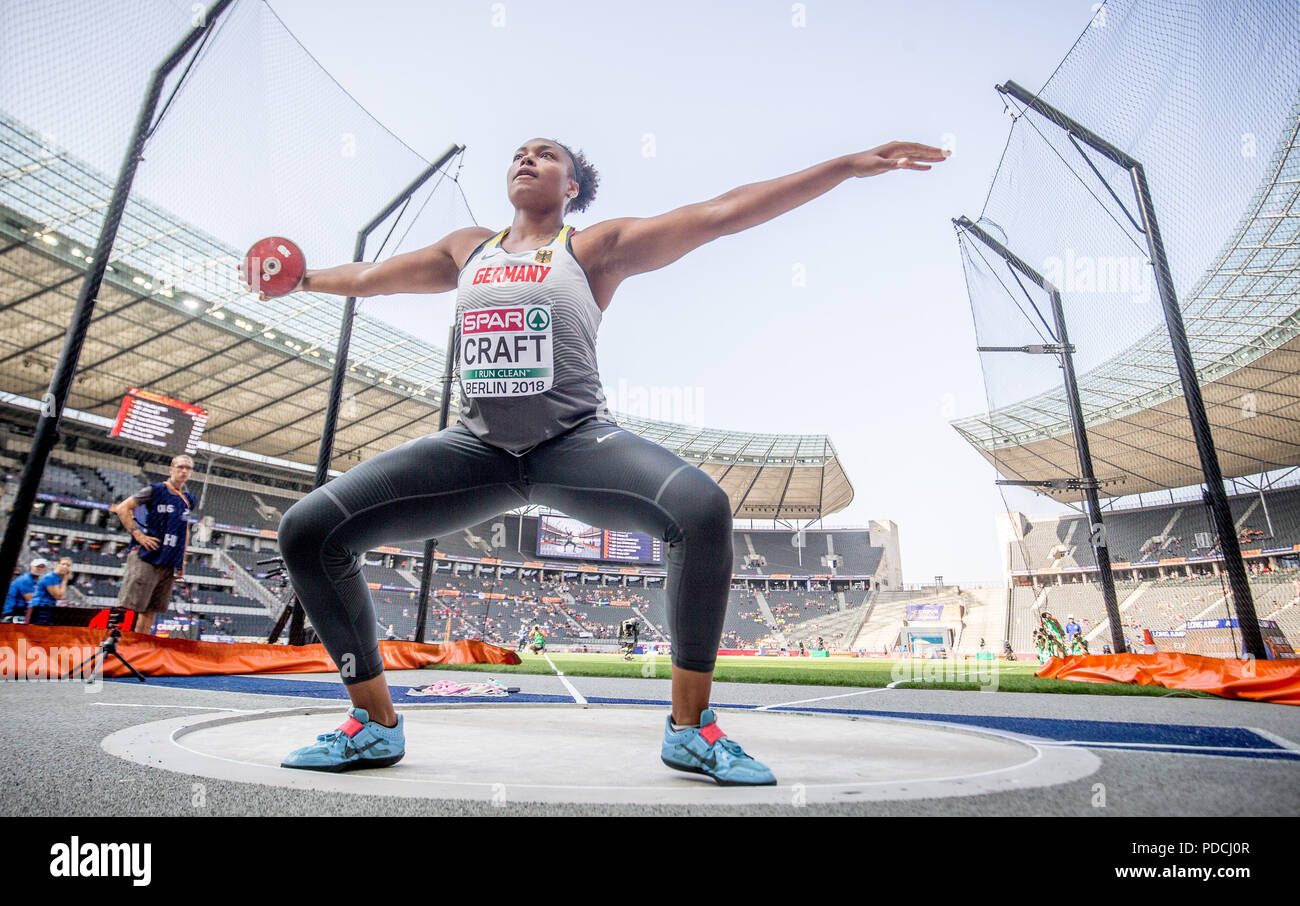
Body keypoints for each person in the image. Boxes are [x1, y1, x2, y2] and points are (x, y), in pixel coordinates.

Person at [265, 135, 949, 784]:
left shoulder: (595, 247)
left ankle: (690, 728)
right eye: (519, 153)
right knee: (308, 530)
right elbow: (373, 278)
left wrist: (846, 166)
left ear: (572, 185)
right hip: (473, 451)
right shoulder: (465, 250)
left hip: (575, 445)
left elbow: (722, 214)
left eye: (547, 154)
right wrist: (300, 280)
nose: (527, 158)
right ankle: (374, 722)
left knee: (700, 507)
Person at [109, 455, 197, 635]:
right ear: (171, 470)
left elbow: (184, 529)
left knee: (151, 609)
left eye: (188, 468)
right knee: (130, 606)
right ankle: (115, 644)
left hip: (168, 561)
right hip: (147, 556)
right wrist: (138, 535)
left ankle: (139, 648)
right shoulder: (155, 490)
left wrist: (181, 561)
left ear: (191, 472)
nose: (184, 471)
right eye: (180, 467)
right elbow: (123, 508)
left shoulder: (189, 499)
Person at [3, 558, 47, 622]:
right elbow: (30, 600)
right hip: (13, 613)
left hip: (22, 611)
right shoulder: (26, 579)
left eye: (42, 567)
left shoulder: (36, 581)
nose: (39, 569)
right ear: (32, 567)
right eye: (37, 566)